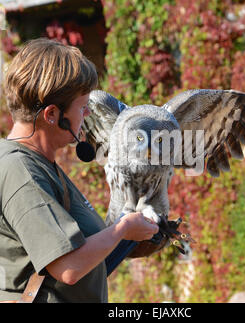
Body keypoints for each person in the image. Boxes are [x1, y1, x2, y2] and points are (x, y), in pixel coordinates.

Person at [0, 38, 159, 303]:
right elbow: (68, 269)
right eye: (82, 106)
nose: (86, 114)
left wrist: (133, 236)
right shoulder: (21, 171)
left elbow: (78, 258)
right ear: (52, 115)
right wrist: (121, 230)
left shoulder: (39, 163)